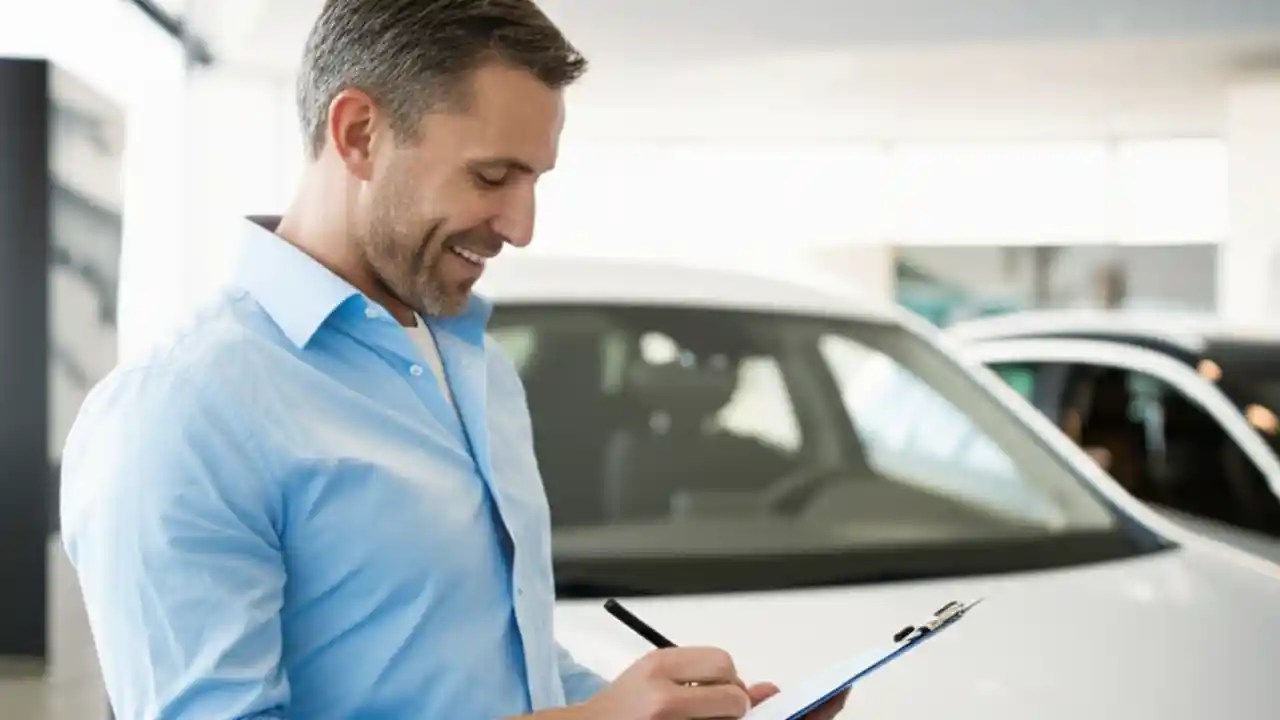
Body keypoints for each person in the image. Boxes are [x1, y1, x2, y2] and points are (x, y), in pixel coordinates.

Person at [60, 1, 848, 718]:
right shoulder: (181, 410)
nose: (522, 224)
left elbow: (504, 670)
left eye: (533, 179)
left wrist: (656, 709)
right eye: (492, 176)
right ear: (359, 133)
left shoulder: (475, 365)